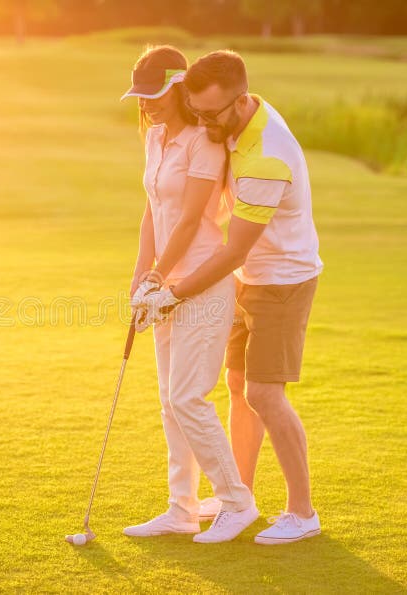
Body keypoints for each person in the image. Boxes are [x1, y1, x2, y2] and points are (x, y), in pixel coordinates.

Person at [139, 50, 324, 544]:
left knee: (265, 393)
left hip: (281, 280)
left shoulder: (267, 154)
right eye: (196, 112)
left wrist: (171, 290)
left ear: (240, 102)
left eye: (211, 114)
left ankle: (302, 512)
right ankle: (236, 495)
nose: (203, 123)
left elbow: (231, 247)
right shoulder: (235, 122)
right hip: (250, 276)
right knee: (238, 383)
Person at [121, 45, 259, 543]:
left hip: (200, 283)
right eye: (140, 97)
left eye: (155, 94)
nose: (147, 105)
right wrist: (141, 276)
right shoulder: (155, 138)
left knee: (188, 397)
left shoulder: (205, 142)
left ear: (179, 88)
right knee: (168, 401)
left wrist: (160, 277)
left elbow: (188, 219)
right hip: (162, 288)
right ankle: (181, 508)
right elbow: (152, 212)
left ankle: (237, 502)